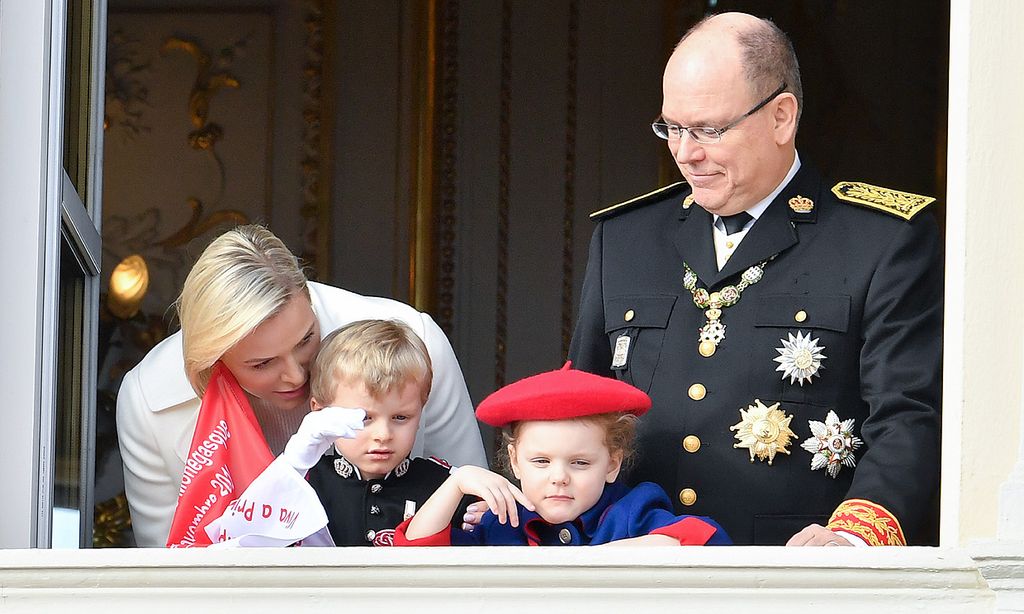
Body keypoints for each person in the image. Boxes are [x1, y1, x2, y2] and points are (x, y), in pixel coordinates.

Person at [568, 12, 942, 546]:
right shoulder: (624, 239)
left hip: (794, 572)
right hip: (636, 565)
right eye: (672, 127)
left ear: (781, 117)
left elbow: (907, 414)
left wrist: (854, 539)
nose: (685, 153)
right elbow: (581, 408)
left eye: (709, 130)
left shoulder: (879, 240)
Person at [116, 225, 487, 546]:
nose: (295, 375)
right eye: (262, 364)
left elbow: (475, 511)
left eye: (306, 340)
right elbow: (168, 573)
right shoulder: (148, 401)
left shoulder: (413, 340)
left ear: (309, 300)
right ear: (214, 360)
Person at [394, 364, 731, 546]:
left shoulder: (632, 512)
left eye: (580, 463)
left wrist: (605, 561)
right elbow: (415, 556)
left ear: (613, 463)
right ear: (514, 461)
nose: (559, 477)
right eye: (540, 461)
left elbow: (708, 540)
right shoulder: (499, 522)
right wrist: (458, 483)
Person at [303, 319, 467, 546]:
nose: (383, 434)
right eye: (364, 418)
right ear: (320, 413)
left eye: (401, 417)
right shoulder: (302, 484)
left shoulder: (447, 487)